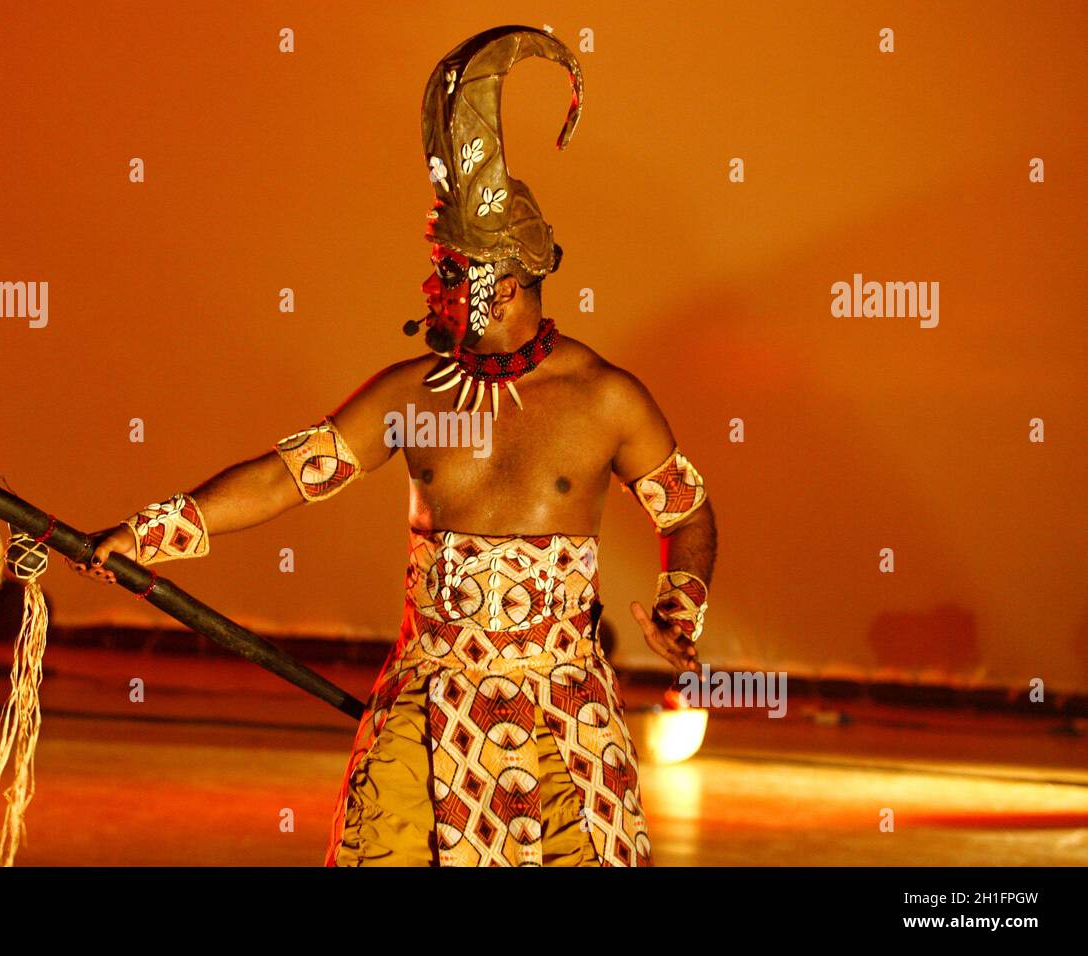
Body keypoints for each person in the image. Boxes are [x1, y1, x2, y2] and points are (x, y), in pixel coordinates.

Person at [70, 25, 716, 867]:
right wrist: (148, 532)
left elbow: (690, 512)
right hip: (422, 708)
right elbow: (281, 479)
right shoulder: (410, 396)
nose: (430, 287)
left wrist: (683, 600)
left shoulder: (606, 401)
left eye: (449, 271)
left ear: (506, 283)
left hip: (564, 715)